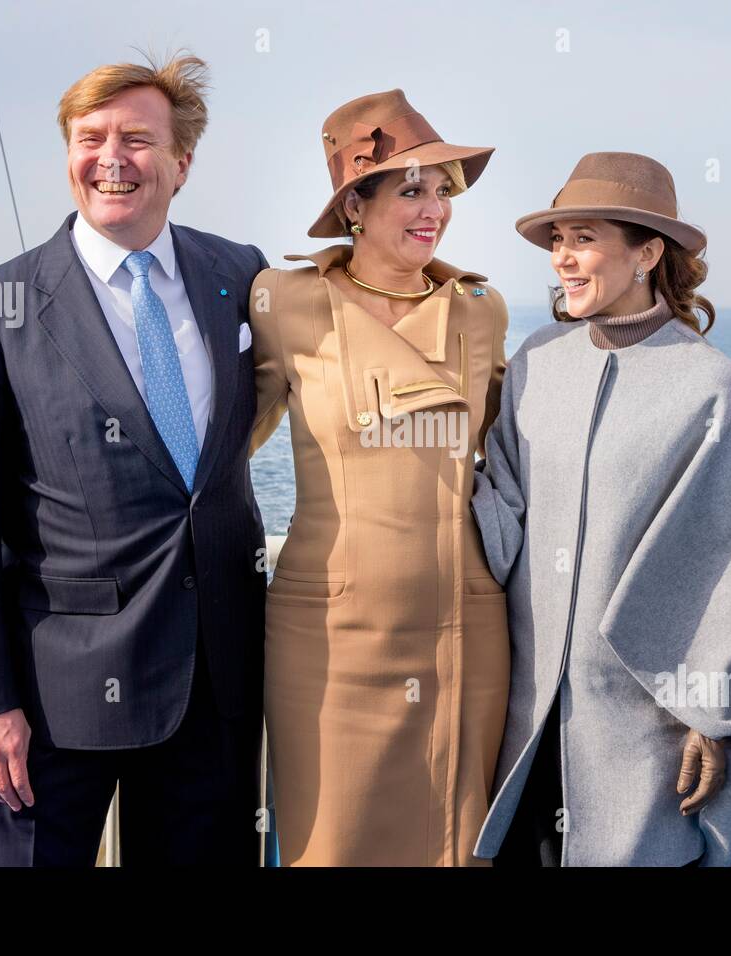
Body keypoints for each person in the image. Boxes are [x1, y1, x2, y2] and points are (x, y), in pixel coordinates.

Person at [0, 53, 269, 866]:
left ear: (182, 163)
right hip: (53, 704)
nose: (111, 159)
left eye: (138, 140)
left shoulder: (242, 276)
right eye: (90, 138)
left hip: (214, 691)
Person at [471, 152, 731, 866]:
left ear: (647, 251)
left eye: (583, 239)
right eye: (557, 242)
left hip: (639, 725)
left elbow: (721, 556)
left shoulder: (710, 386)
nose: (563, 260)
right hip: (524, 710)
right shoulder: (537, 361)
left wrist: (711, 715)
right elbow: (500, 508)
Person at [249, 89, 510, 865]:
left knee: (453, 848)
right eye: (411, 190)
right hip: (328, 640)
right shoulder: (284, 303)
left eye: (443, 191)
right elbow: (215, 452)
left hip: (463, 631)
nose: (434, 209)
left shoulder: (480, 309)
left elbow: (510, 463)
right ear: (354, 206)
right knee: (330, 843)